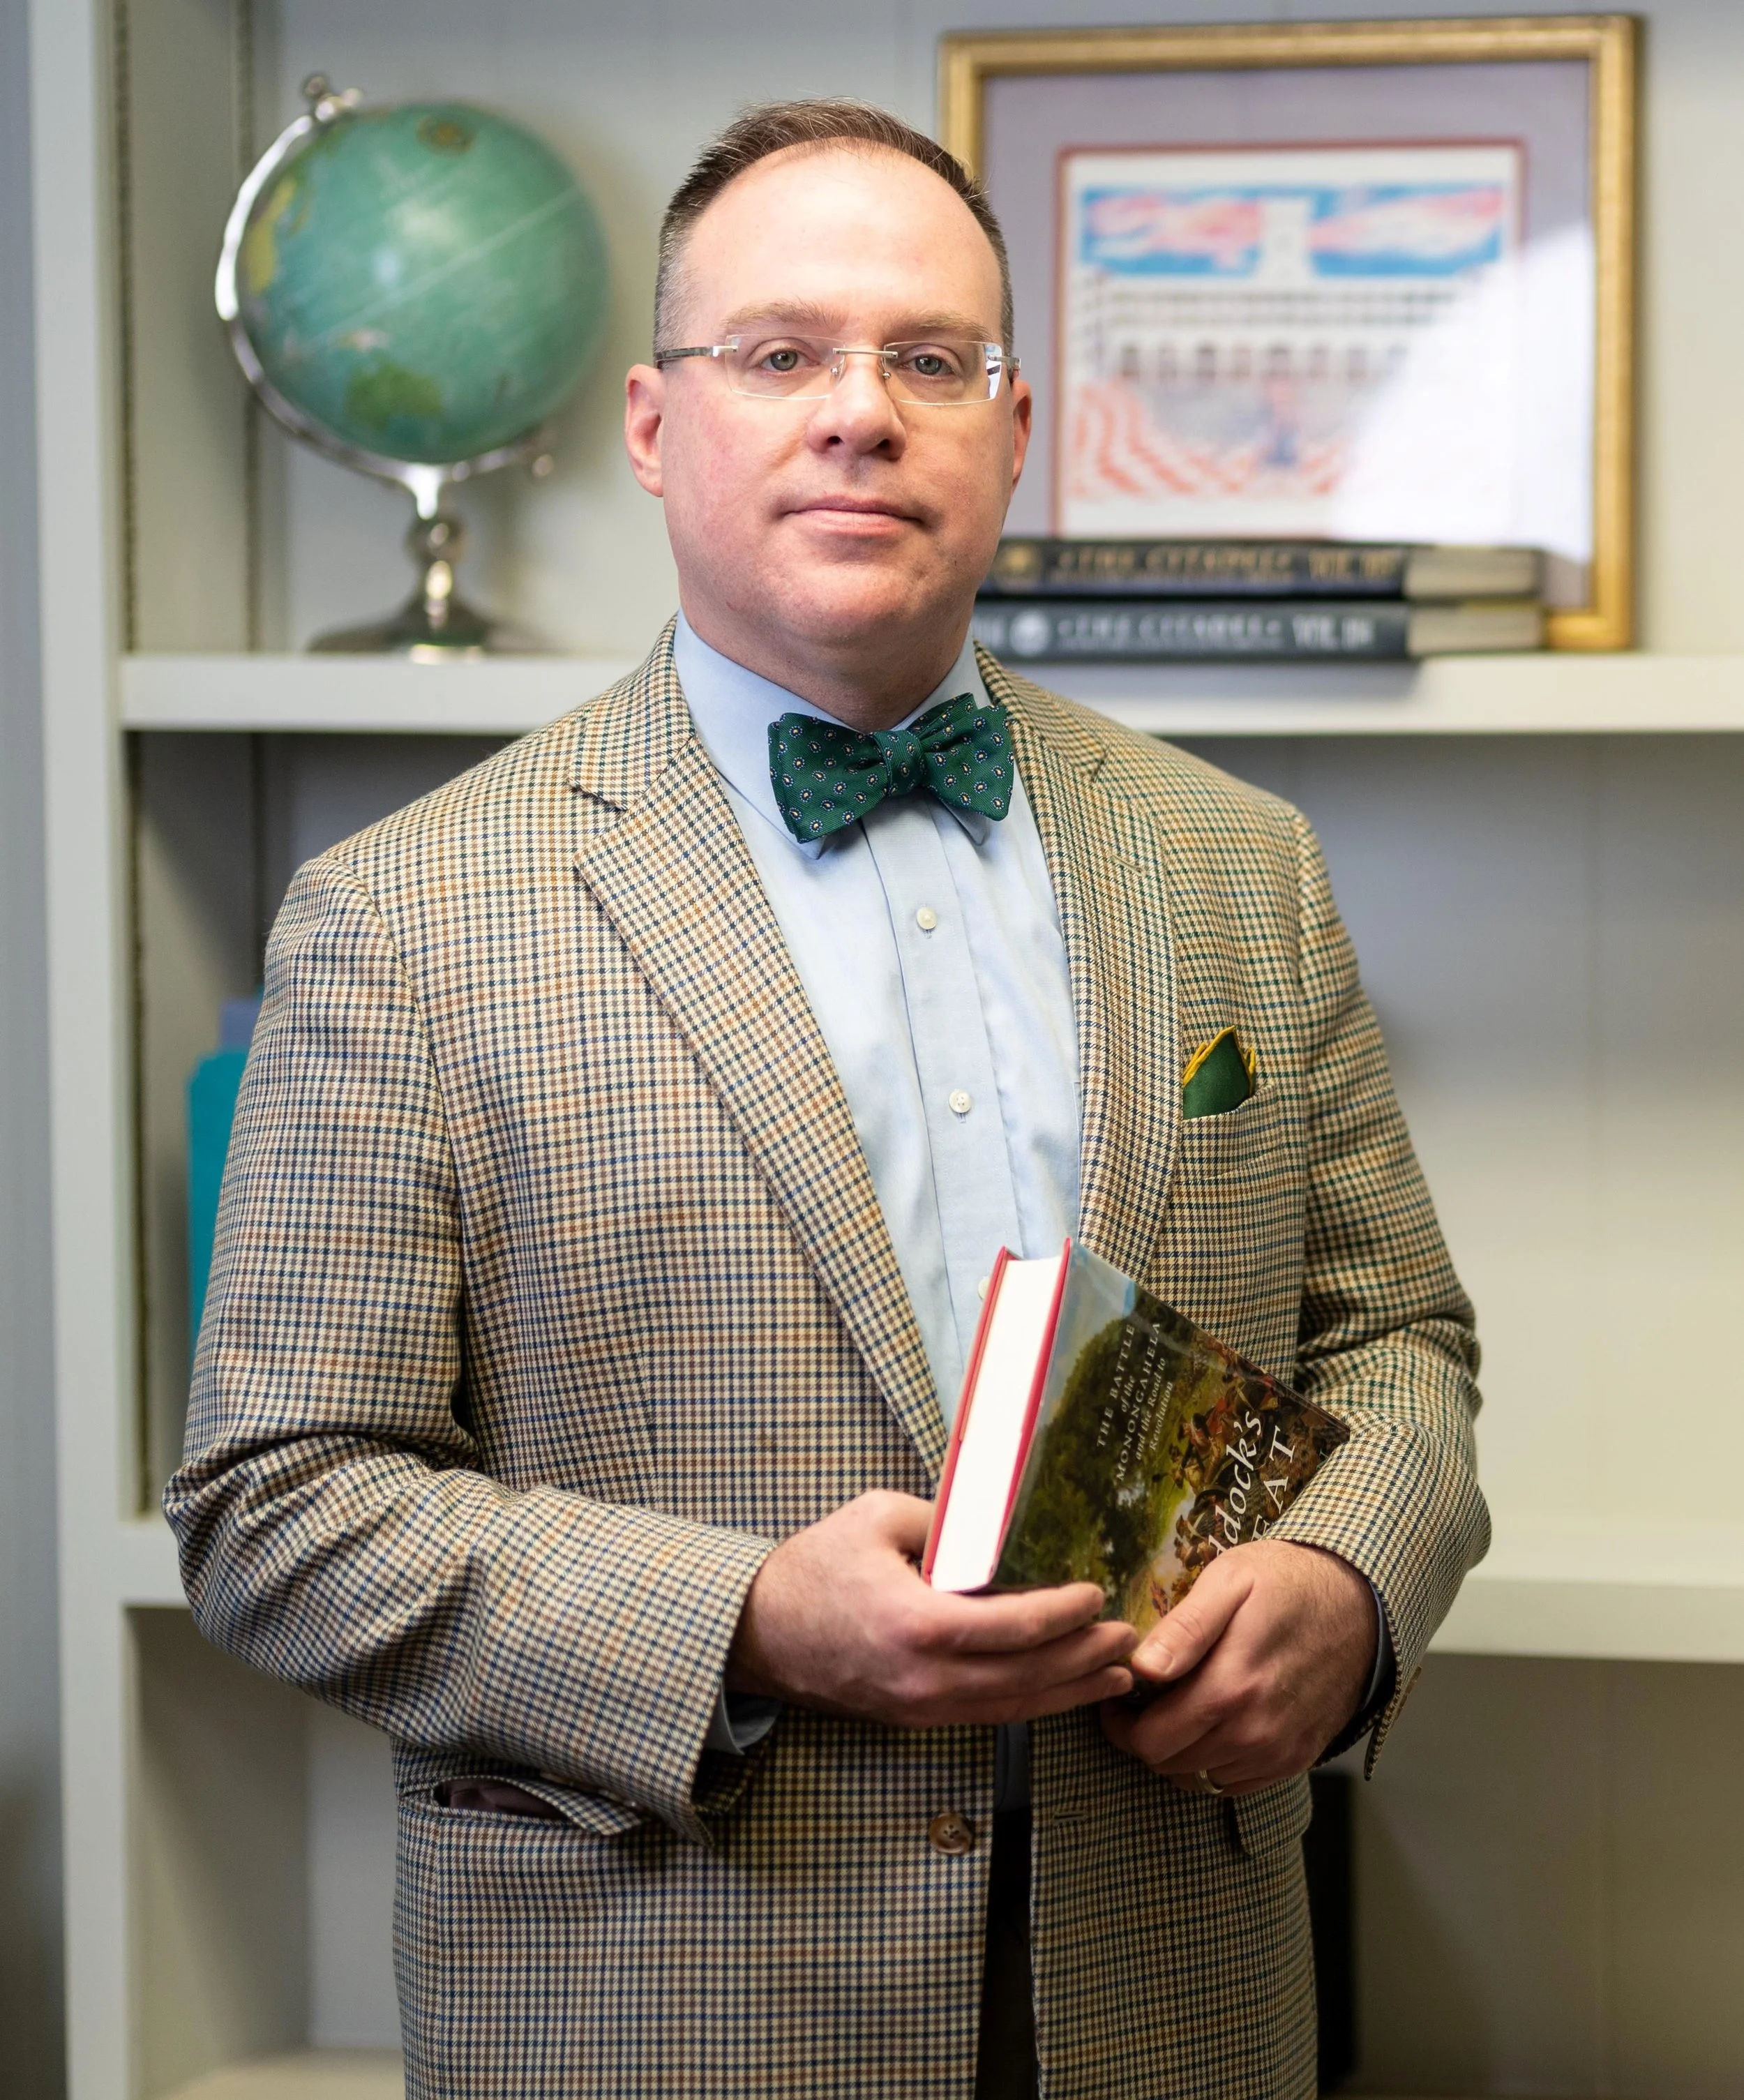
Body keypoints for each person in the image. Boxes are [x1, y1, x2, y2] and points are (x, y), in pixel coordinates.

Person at [167, 100, 1487, 2099]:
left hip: (1175, 1990)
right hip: (664, 2002)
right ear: (649, 425)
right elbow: (278, 1511)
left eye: (928, 360)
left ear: (1014, 427)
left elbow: (1393, 1337)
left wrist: (1347, 1581)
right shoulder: (402, 913)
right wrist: (755, 1621)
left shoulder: (1237, 863)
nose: (859, 412)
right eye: (780, 353)